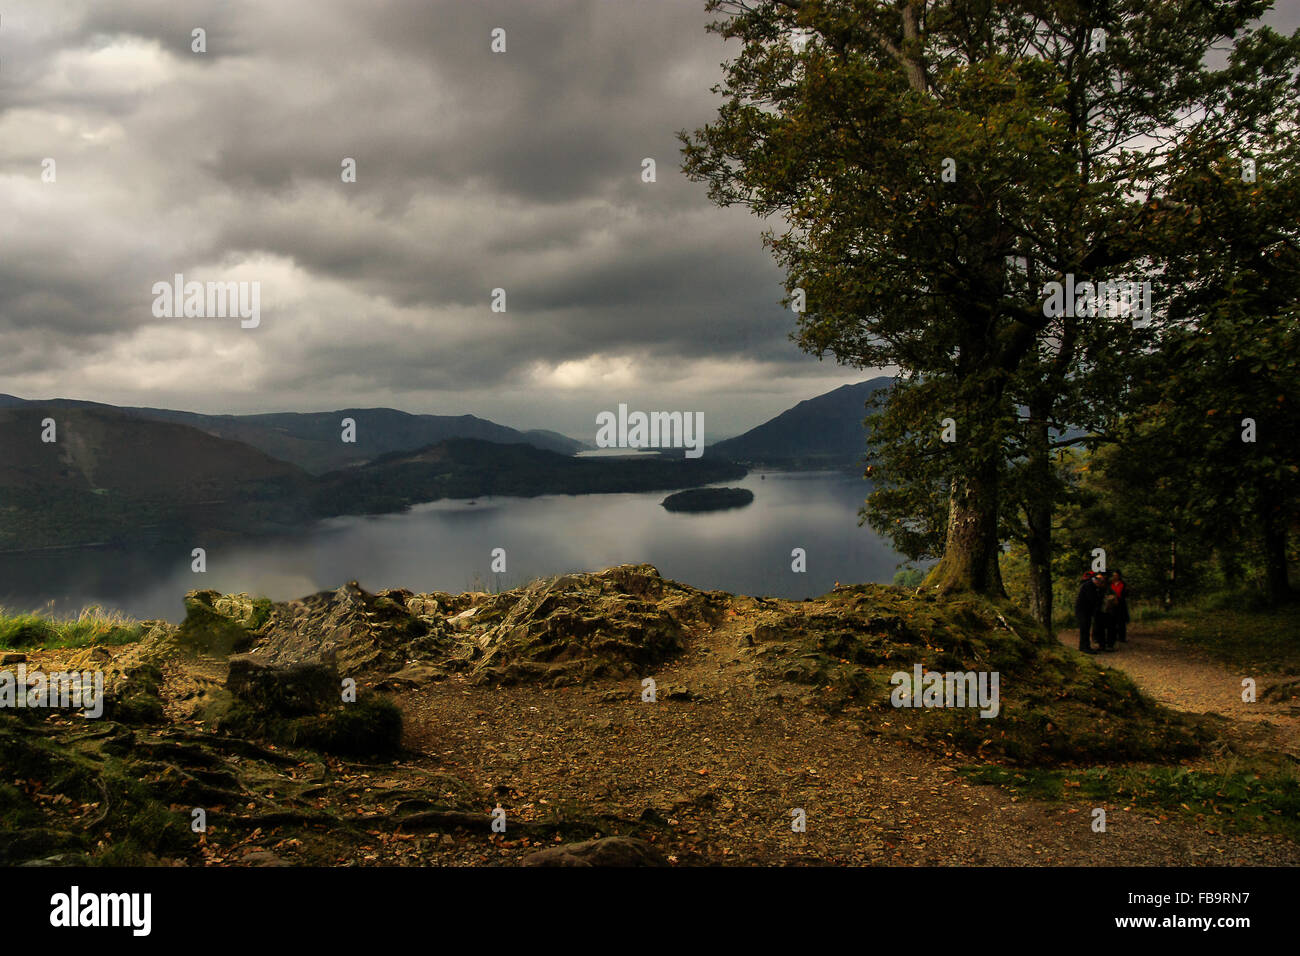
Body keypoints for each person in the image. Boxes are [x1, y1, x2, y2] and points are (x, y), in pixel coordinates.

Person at [1075, 571, 1100, 654]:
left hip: (1086, 611)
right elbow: (1091, 599)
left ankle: (1085, 646)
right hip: (1083, 610)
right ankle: (1084, 647)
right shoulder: (1089, 586)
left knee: (1086, 628)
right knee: (1084, 628)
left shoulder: (1090, 586)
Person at [1093, 571, 1116, 651]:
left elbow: (1115, 600)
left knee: (1110, 628)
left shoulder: (1109, 590)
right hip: (1099, 612)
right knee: (1100, 628)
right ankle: (1102, 644)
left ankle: (1110, 645)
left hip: (1108, 612)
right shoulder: (1097, 589)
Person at [1110, 571, 1129, 643]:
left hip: (1121, 604)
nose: (1115, 577)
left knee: (1121, 621)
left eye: (1116, 575)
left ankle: (1122, 637)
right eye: (1114, 575)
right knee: (1112, 621)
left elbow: (1125, 594)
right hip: (1112, 604)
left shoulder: (1123, 584)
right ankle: (1113, 636)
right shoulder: (1110, 584)